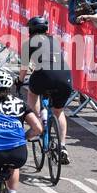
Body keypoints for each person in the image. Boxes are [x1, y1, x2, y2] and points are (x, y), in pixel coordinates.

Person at [21, 15, 72, 163]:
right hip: (64, 75)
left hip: (44, 74)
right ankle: (62, 146)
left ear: (31, 30)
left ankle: (37, 123)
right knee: (58, 111)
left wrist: (19, 81)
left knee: (32, 93)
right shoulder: (54, 40)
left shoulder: (29, 42)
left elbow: (24, 67)